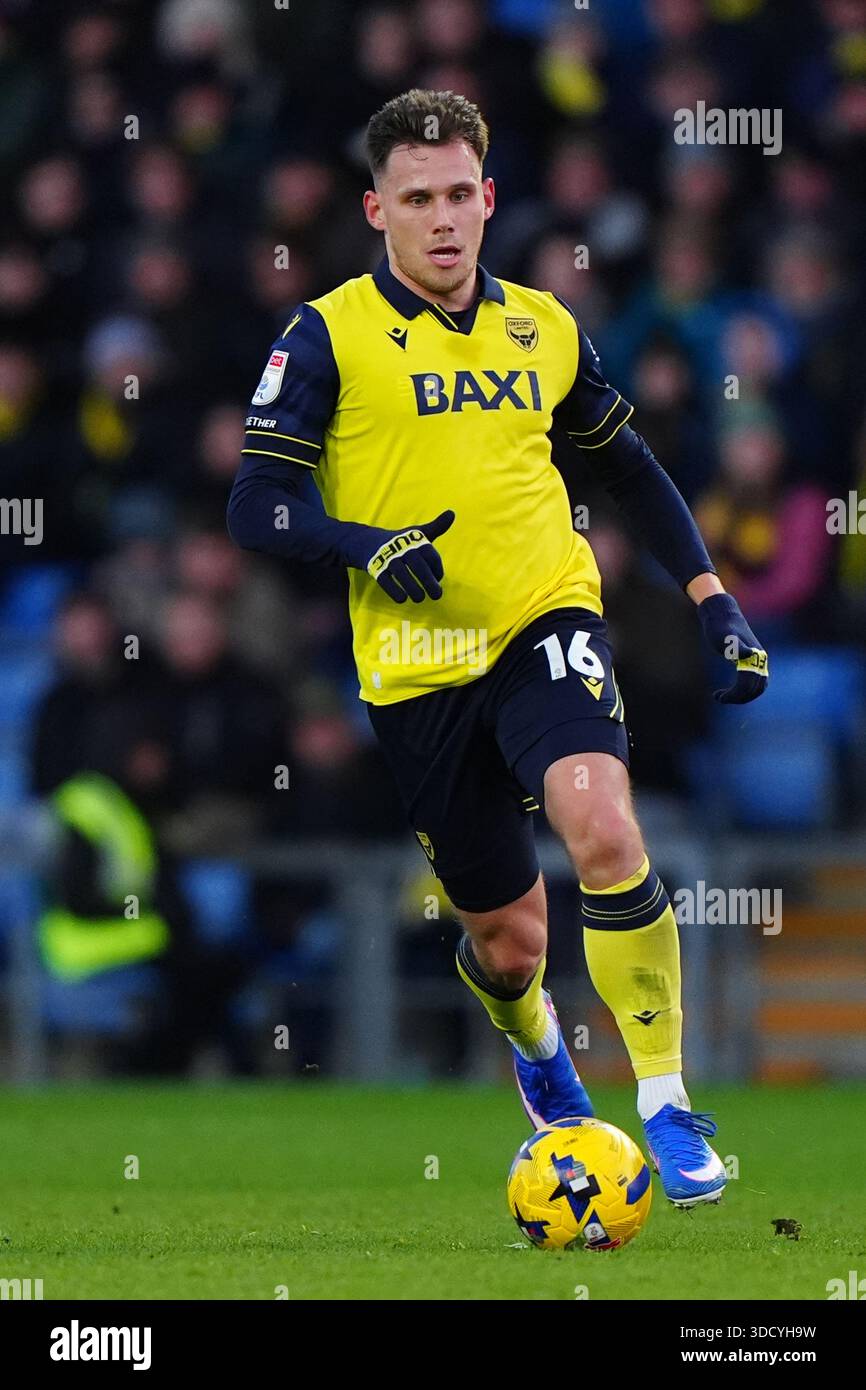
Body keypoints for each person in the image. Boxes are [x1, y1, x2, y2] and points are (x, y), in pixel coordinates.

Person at [227, 89, 769, 1212]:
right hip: (417, 669)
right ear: (376, 209)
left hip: (542, 621)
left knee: (605, 824)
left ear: (489, 200)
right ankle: (538, 1054)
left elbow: (624, 469)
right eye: (414, 199)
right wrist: (364, 545)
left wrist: (712, 595)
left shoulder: (544, 326)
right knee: (511, 942)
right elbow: (255, 506)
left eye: (458, 195)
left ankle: (665, 1104)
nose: (440, 219)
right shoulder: (323, 335)